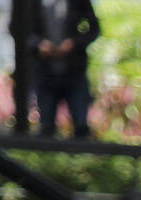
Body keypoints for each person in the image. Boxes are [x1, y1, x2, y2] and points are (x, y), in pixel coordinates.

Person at [11, 0, 99, 138]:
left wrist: (74, 42)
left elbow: (94, 29)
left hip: (74, 72)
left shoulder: (79, 3)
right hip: (45, 73)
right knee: (46, 128)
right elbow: (17, 28)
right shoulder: (30, 4)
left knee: (81, 127)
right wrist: (39, 44)